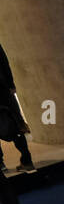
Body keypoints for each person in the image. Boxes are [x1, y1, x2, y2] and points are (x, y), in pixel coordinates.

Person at [0, 43, 34, 177]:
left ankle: (1, 163)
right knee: (16, 124)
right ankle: (26, 160)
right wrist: (10, 84)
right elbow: (3, 61)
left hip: (3, 89)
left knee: (15, 124)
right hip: (3, 90)